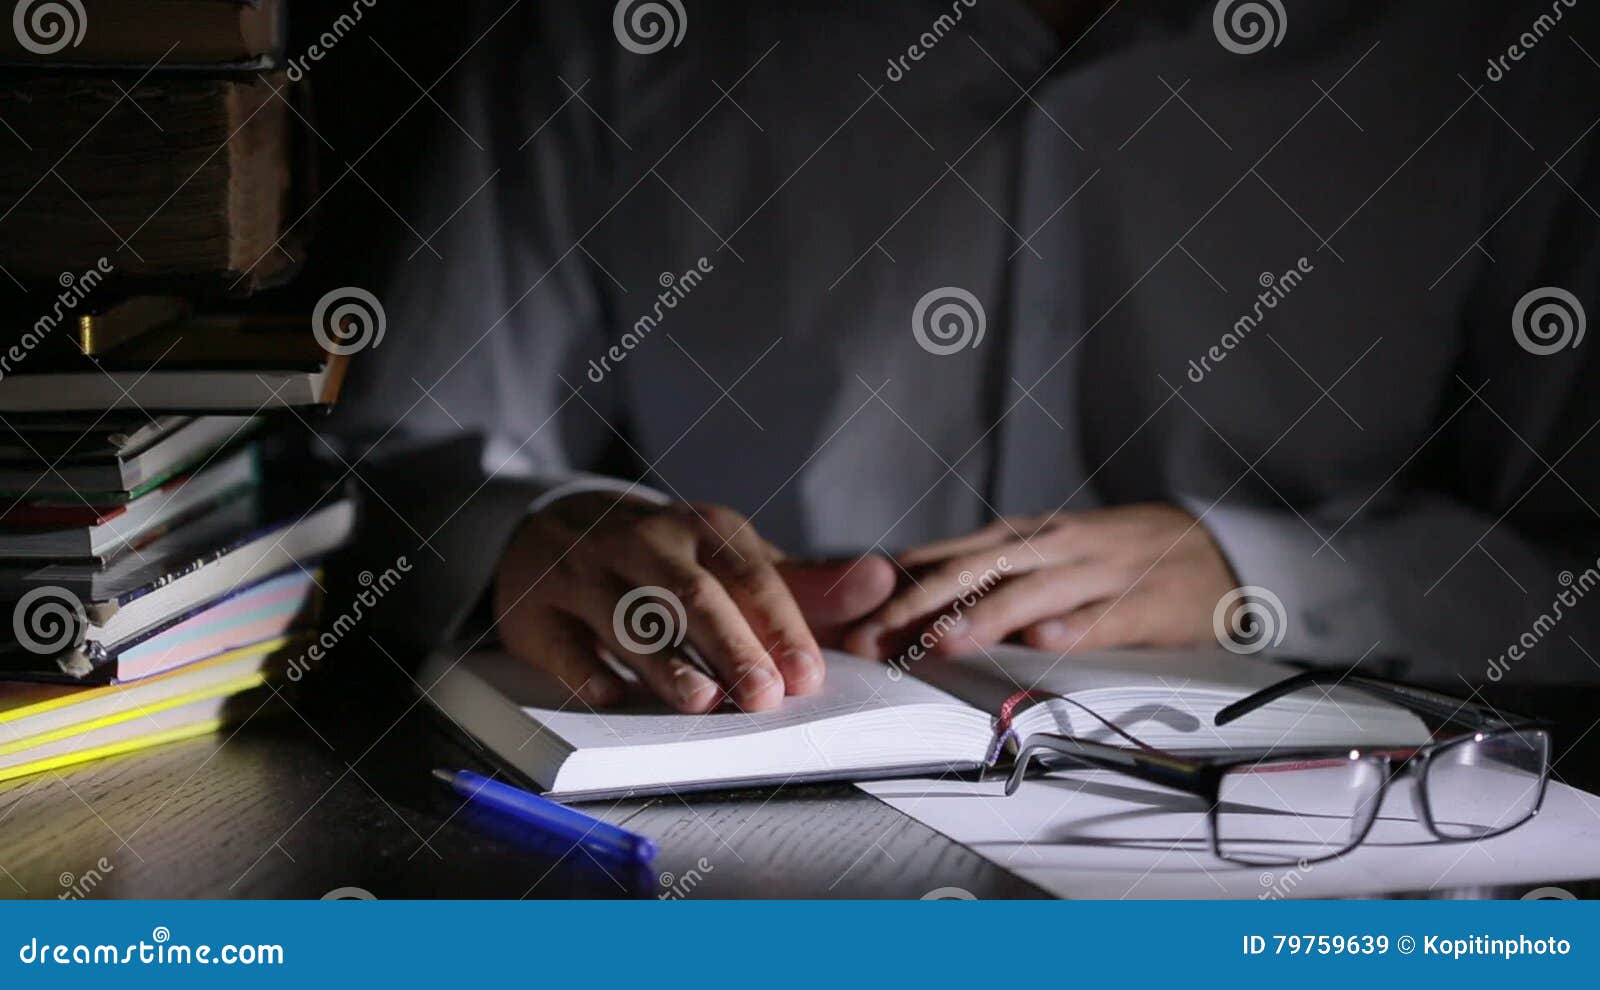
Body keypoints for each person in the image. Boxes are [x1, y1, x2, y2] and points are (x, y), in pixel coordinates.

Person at [329, 0, 1600, 712]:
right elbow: (383, 472)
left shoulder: (1514, 54)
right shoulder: (616, 33)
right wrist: (527, 532)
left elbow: (1576, 563)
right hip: (725, 845)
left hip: (1345, 856)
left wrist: (1267, 578)